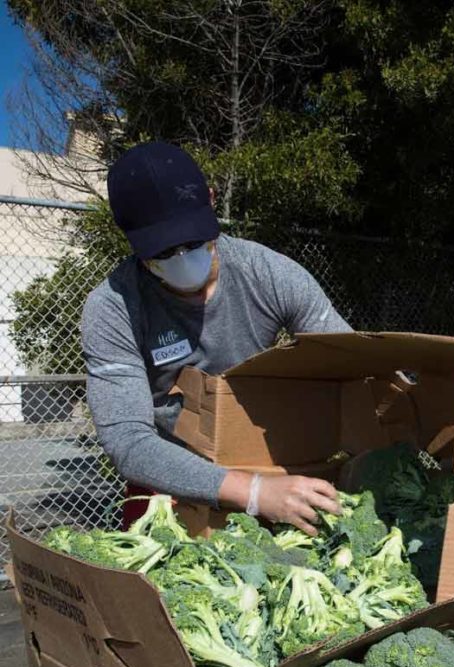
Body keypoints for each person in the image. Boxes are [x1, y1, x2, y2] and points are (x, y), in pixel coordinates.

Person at [81, 141, 351, 535]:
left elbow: (350, 360)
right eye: (163, 251)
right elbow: (128, 439)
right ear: (131, 239)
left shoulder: (269, 275)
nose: (181, 259)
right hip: (169, 483)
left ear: (210, 199)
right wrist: (254, 493)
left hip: (265, 464)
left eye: (191, 242)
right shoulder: (113, 307)